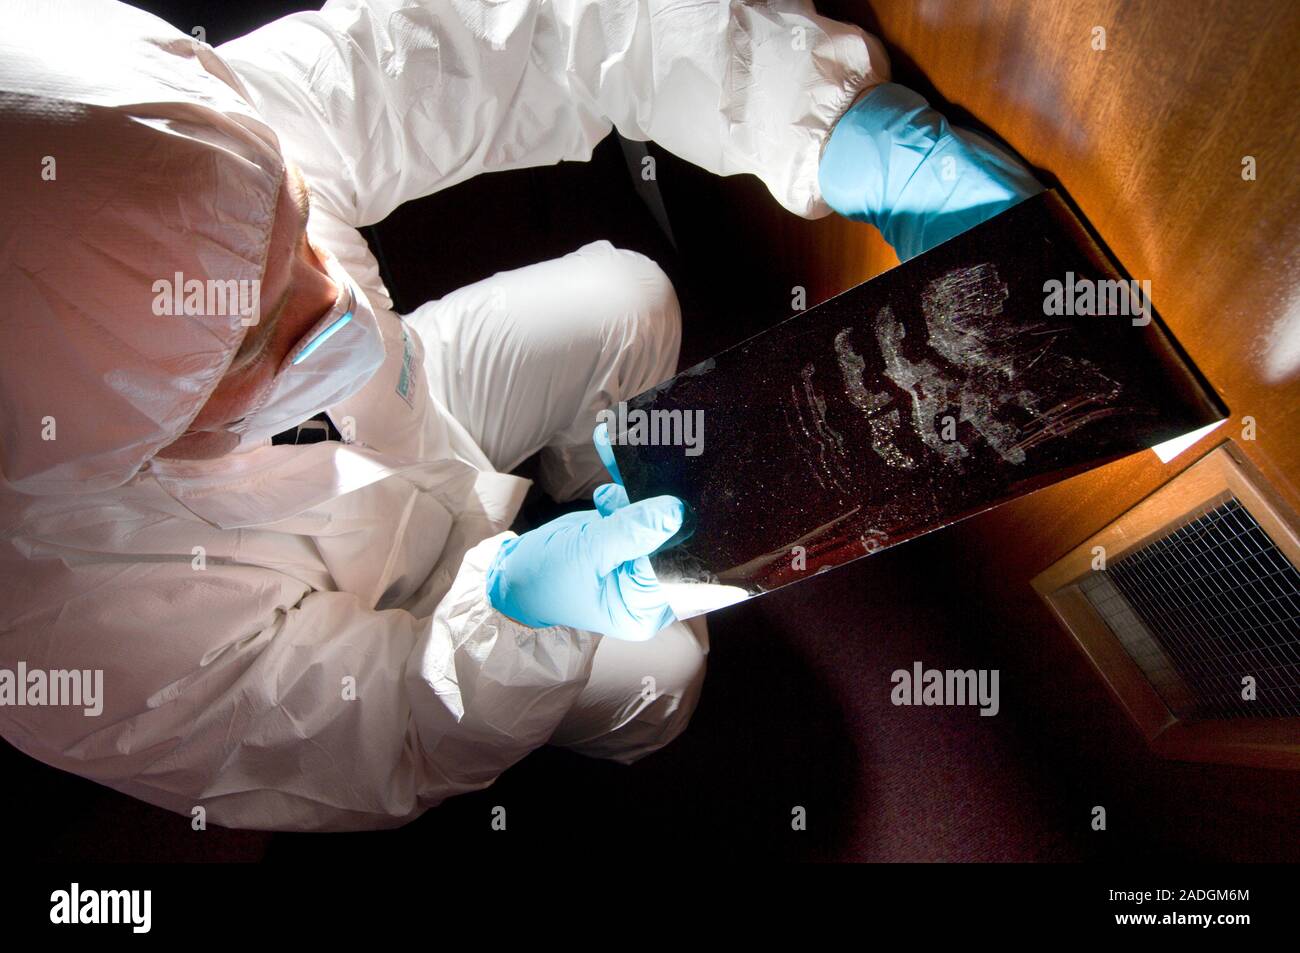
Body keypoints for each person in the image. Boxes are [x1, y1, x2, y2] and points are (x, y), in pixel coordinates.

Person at [0, 0, 1037, 830]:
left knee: (631, 299)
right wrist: (516, 615)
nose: (336, 299)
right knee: (663, 678)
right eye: (253, 335)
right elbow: (378, 737)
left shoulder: (177, 141)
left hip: (413, 415)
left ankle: (590, 489)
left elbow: (518, 33)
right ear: (106, 434)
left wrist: (826, 123)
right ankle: (561, 622)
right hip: (371, 620)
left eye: (301, 222)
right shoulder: (54, 636)